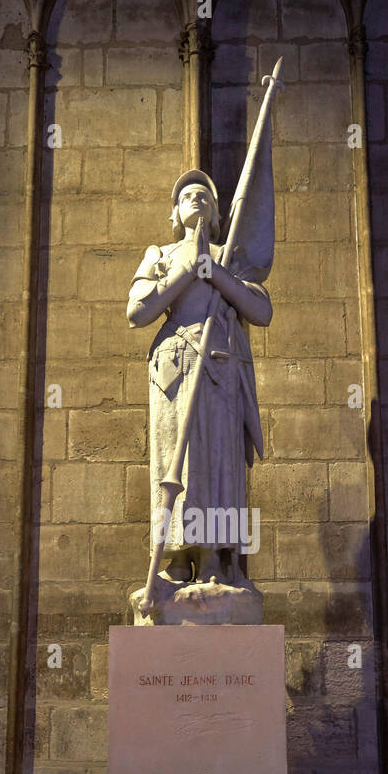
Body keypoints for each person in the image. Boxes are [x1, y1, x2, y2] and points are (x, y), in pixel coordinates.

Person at [126, 170, 271, 587]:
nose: (195, 198)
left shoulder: (230, 256)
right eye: (187, 195)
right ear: (174, 212)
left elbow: (261, 312)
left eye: (204, 195)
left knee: (219, 459)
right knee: (176, 460)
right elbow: (137, 312)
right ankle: (174, 558)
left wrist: (215, 272)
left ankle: (213, 557)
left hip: (221, 366)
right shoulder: (161, 253)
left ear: (219, 212)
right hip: (174, 368)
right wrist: (187, 270)